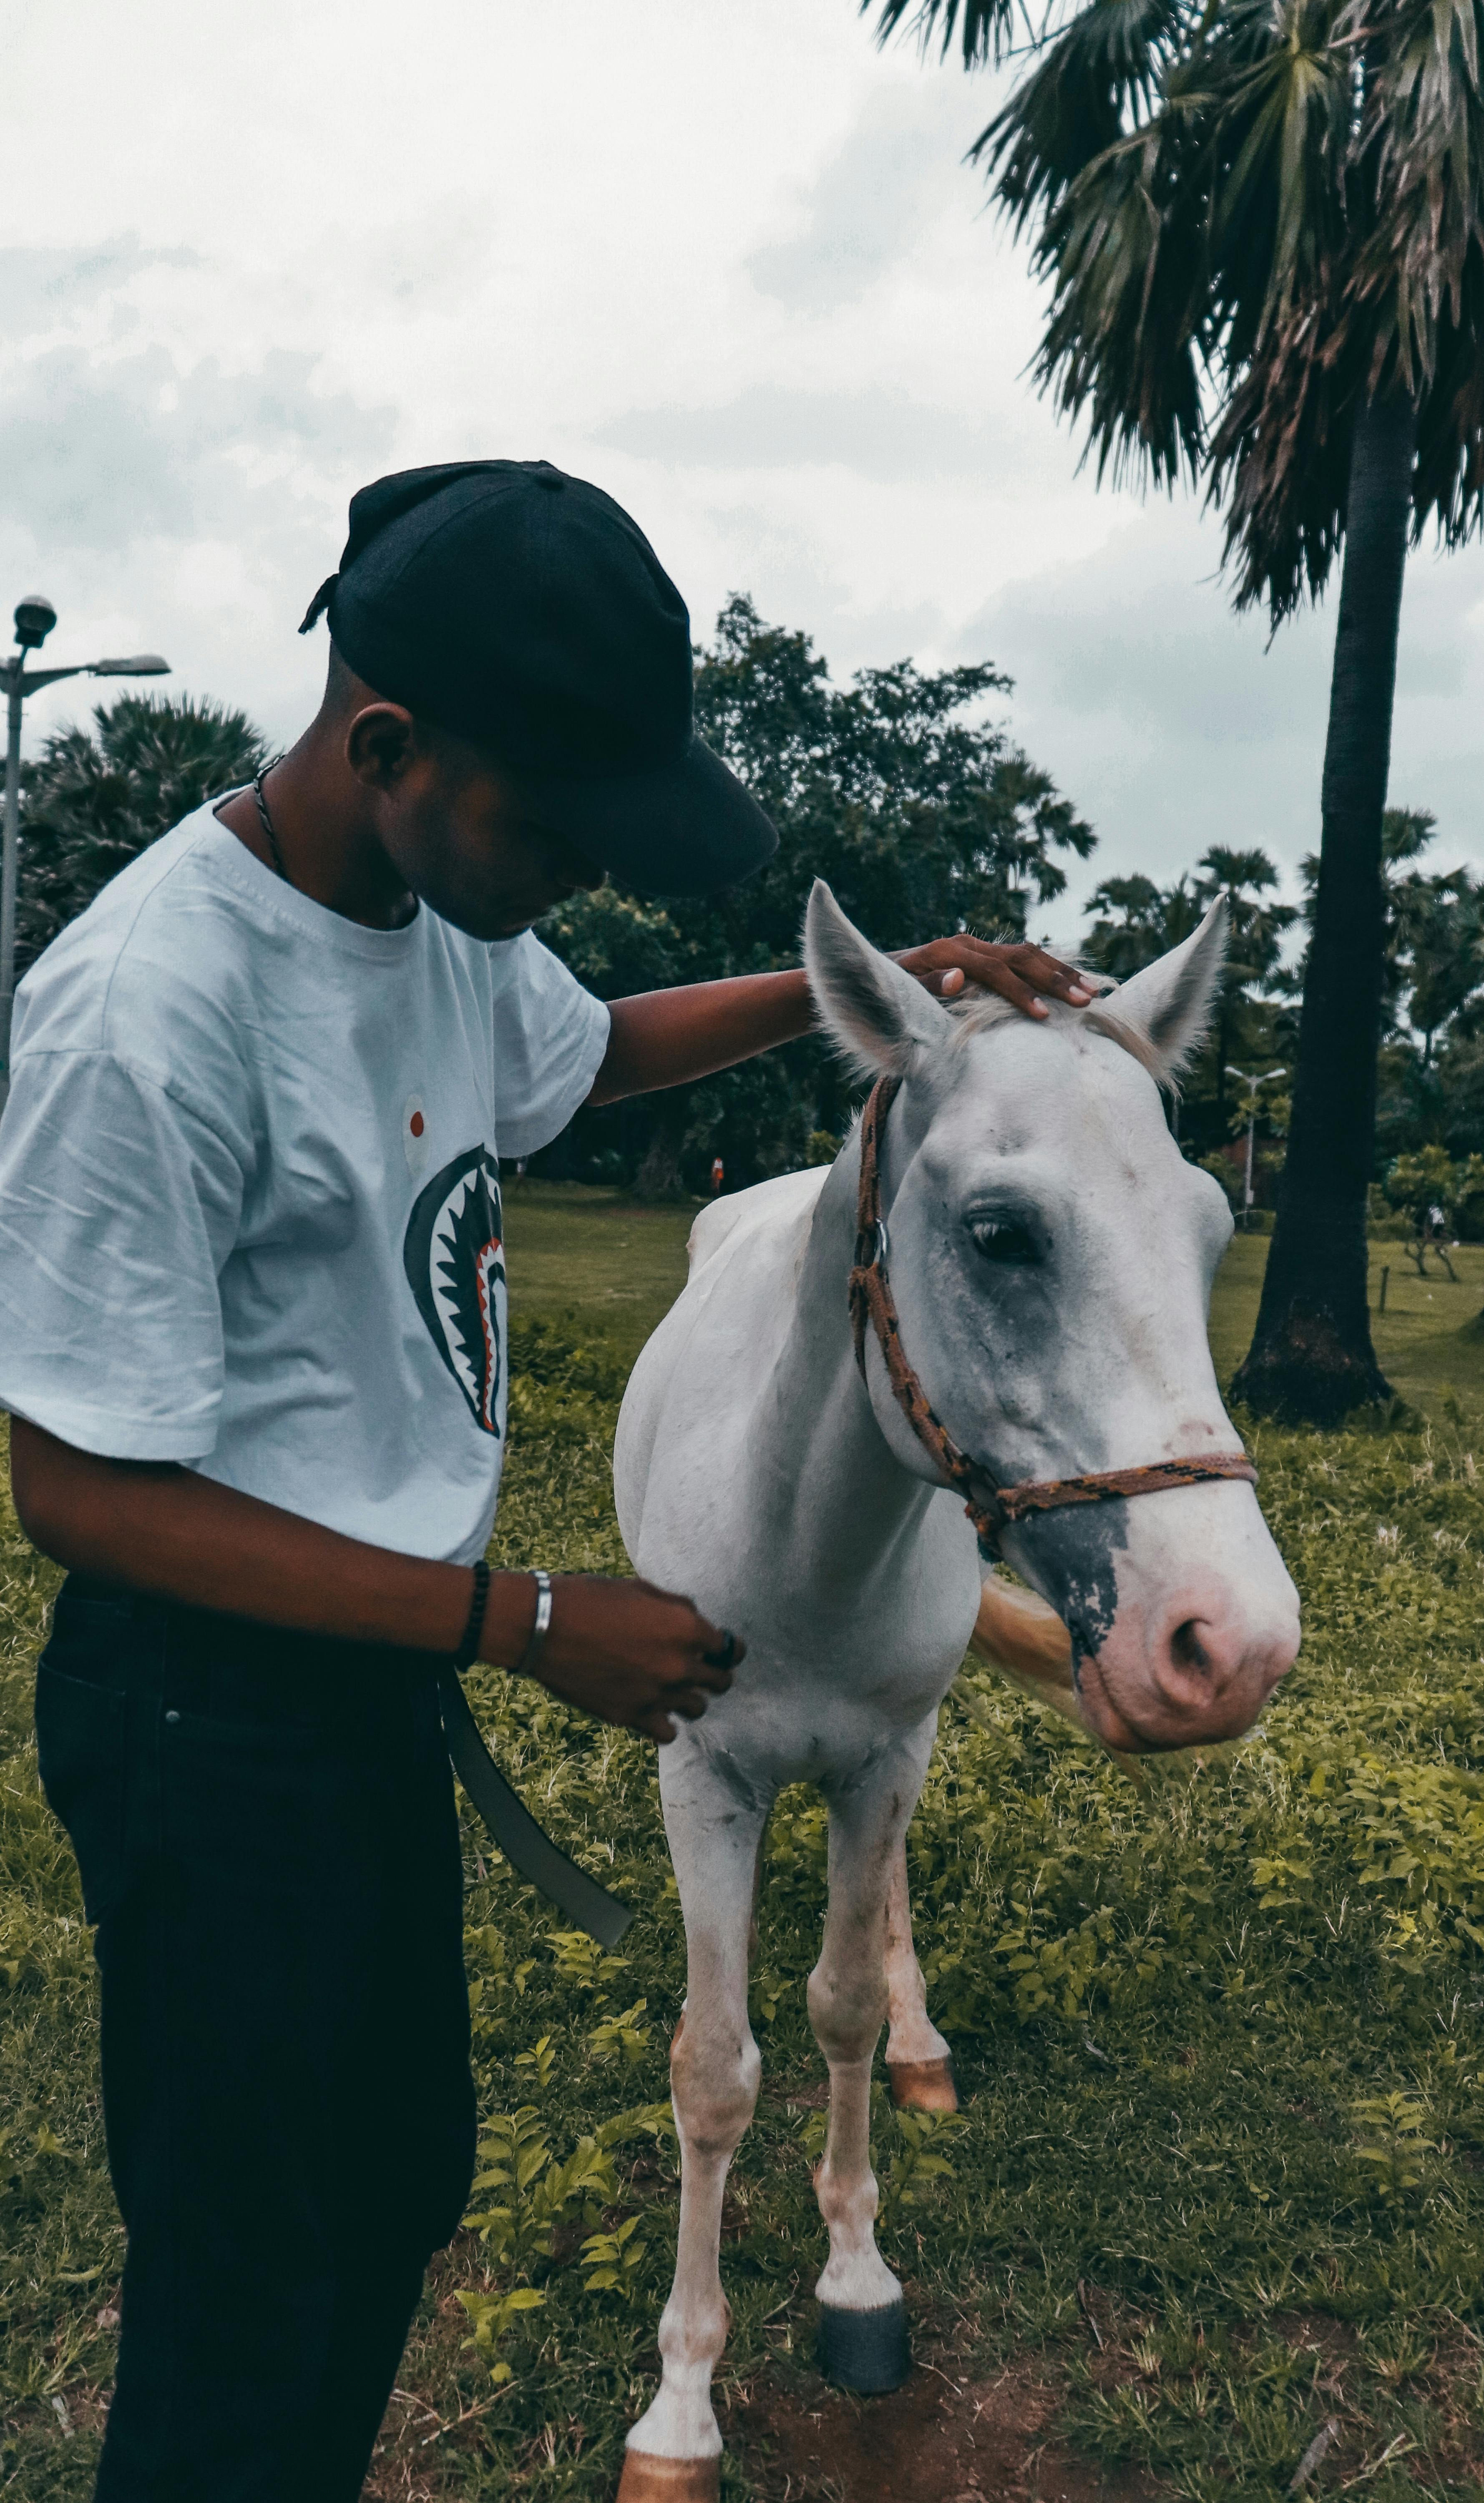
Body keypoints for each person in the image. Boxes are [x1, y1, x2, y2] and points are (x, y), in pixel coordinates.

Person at [0, 458, 1092, 2503]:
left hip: (368, 1696)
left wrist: (879, 1000)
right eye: (558, 828)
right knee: (248, 2282)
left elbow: (577, 1057)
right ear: (386, 742)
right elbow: (80, 1492)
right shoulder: (150, 1016)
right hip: (208, 1722)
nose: (575, 874)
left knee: (394, 2186)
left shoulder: (421, 903)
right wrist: (523, 1624)